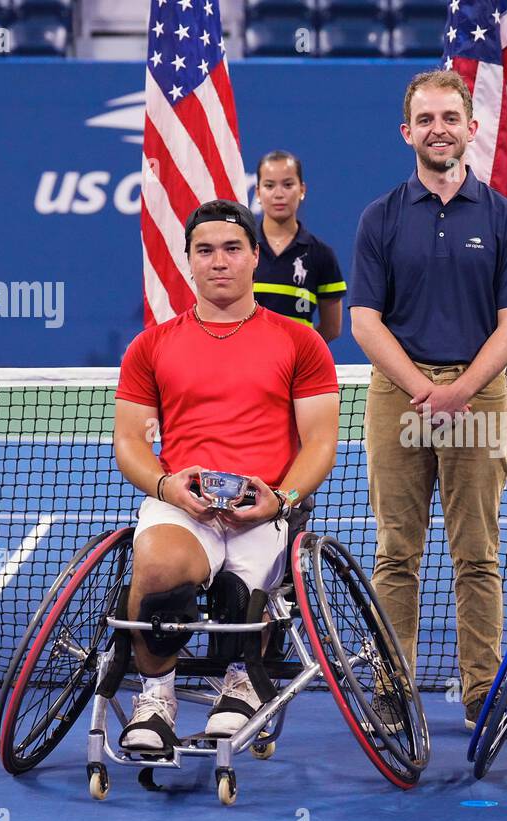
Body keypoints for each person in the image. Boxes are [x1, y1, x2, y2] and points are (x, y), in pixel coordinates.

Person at [113, 199, 339, 751]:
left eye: (233, 248)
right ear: (188, 261)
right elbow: (130, 442)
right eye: (206, 250)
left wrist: (281, 498)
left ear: (255, 257)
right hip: (182, 503)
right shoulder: (150, 346)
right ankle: (157, 696)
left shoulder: (300, 341)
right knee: (161, 571)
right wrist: (167, 487)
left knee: (245, 599)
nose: (220, 261)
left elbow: (321, 442)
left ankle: (242, 684)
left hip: (263, 506)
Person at [350, 70, 507, 732]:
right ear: (408, 133)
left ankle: (482, 690)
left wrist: (459, 390)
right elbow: (364, 322)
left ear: (471, 127)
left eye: (449, 118)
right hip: (397, 396)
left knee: (477, 554)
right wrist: (424, 389)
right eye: (425, 119)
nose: (438, 129)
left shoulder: (506, 219)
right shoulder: (381, 217)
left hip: (480, 396)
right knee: (396, 552)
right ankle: (393, 688)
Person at [252, 150, 347, 344]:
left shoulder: (321, 254)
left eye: (288, 185)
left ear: (302, 190)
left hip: (297, 371)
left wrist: (301, 354)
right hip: (246, 367)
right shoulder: (241, 250)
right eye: (269, 185)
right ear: (258, 192)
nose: (279, 194)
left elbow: (332, 328)